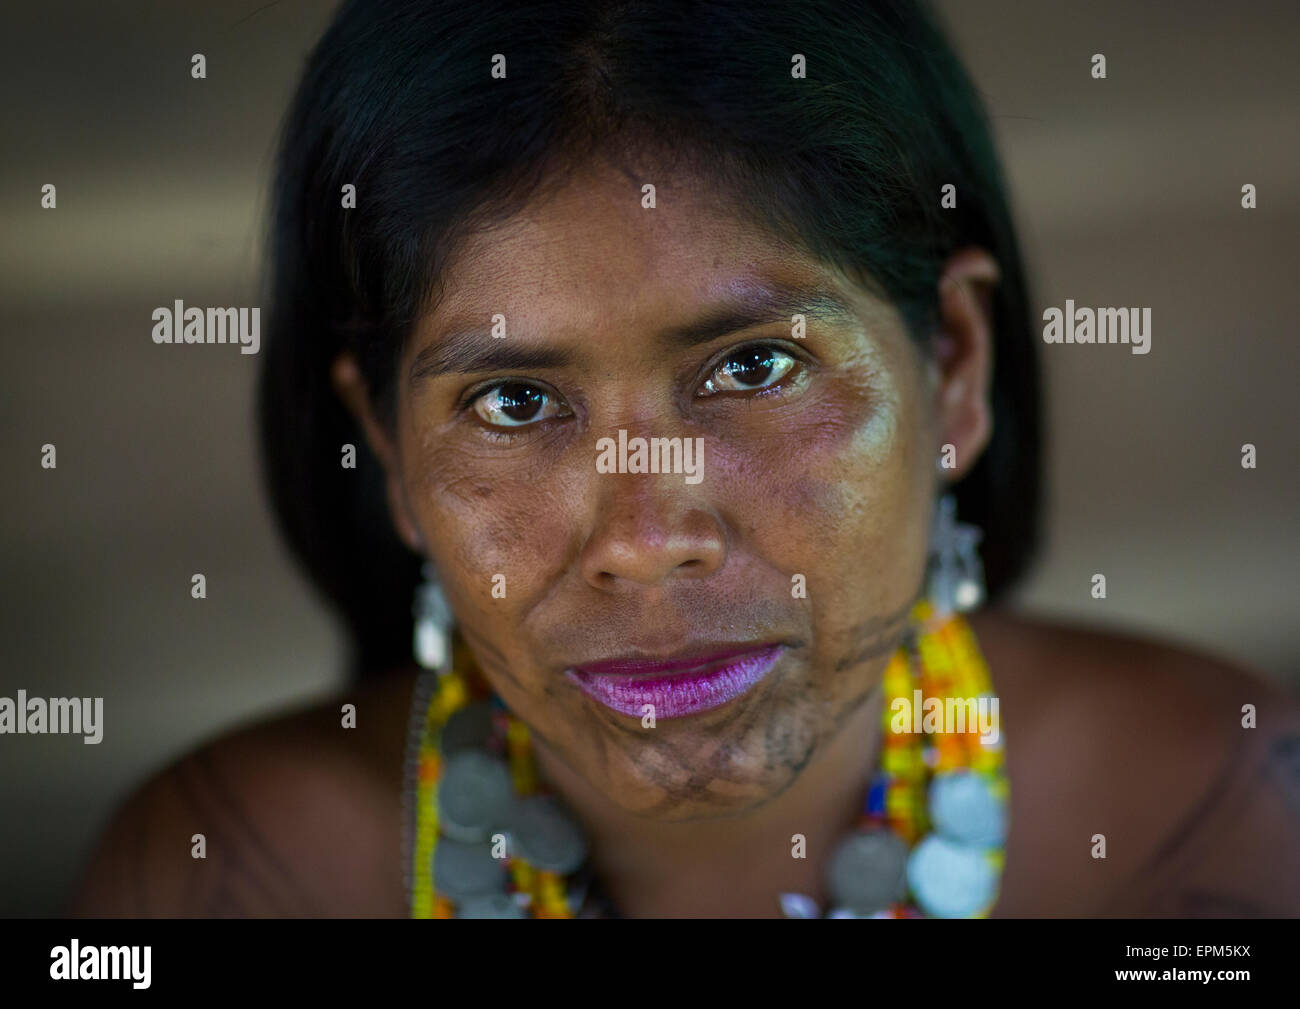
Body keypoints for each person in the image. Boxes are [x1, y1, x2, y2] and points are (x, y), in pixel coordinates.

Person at [69, 0, 1300, 918]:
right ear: (388, 447)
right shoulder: (218, 876)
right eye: (511, 399)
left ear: (956, 370)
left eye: (756, 369)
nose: (648, 537)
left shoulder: (1218, 825)